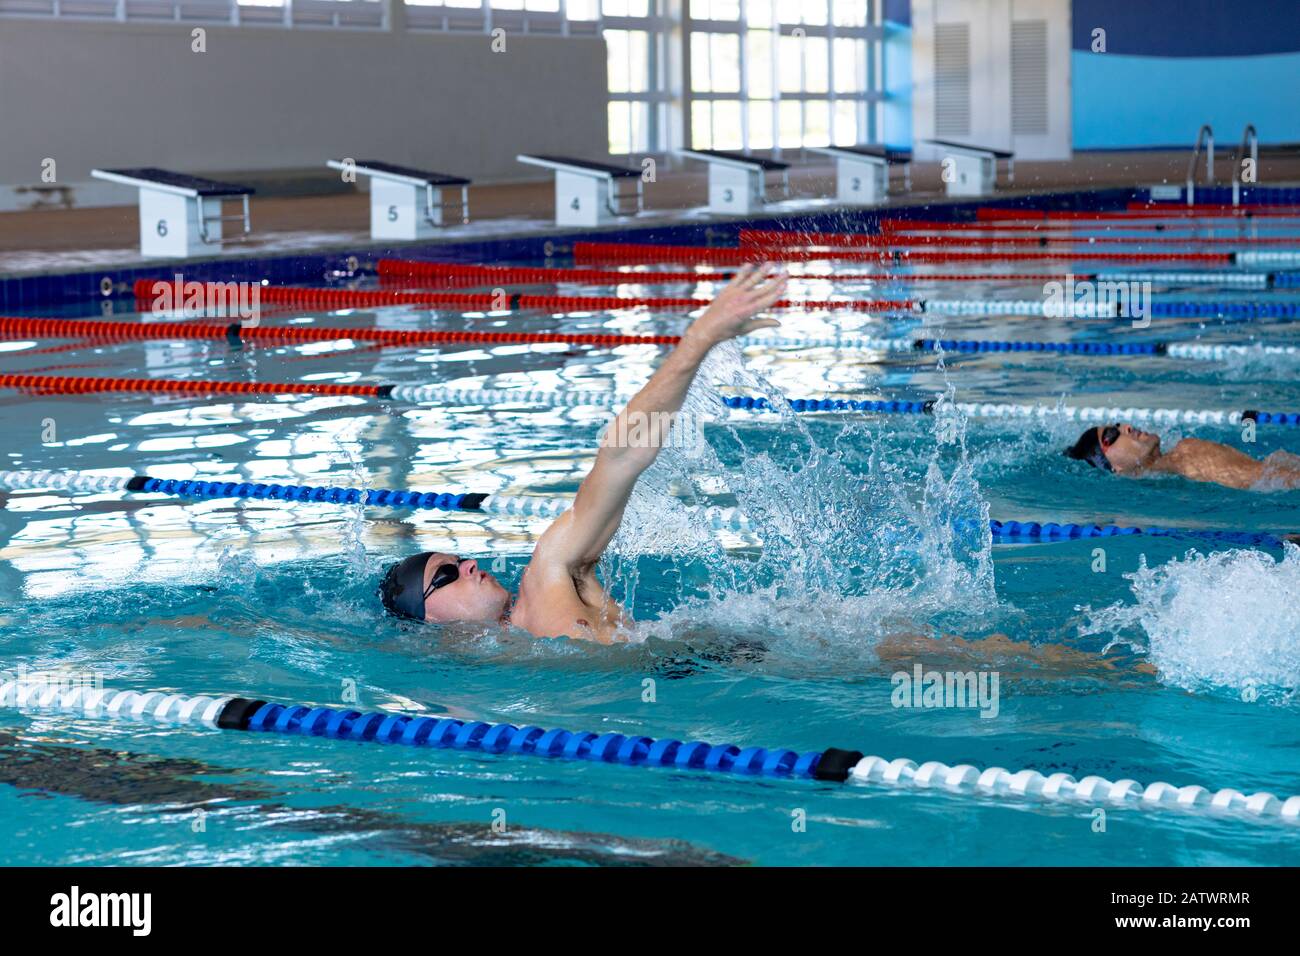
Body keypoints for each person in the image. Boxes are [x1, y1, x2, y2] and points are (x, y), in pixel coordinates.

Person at [377, 264, 789, 642]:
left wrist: (700, 338)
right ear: (427, 617)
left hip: (762, 661)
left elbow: (621, 457)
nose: (469, 565)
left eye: (461, 559)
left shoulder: (551, 575)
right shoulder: (490, 667)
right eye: (448, 574)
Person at [1064, 422, 1300, 490]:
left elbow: (1270, 478)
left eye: (1118, 424)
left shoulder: (1188, 453)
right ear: (1113, 467)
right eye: (1111, 434)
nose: (1125, 426)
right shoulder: (1175, 470)